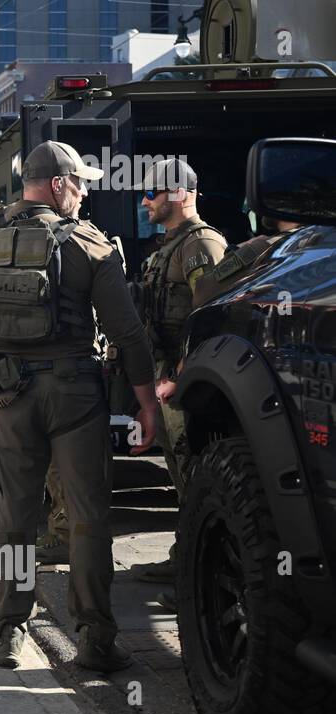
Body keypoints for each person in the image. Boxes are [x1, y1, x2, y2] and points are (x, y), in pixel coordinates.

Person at [0, 140, 158, 673]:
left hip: (6, 395)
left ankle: (9, 634)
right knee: (88, 518)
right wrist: (145, 401)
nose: (84, 194)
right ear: (58, 185)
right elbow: (128, 333)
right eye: (80, 183)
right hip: (74, 394)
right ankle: (94, 640)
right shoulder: (90, 244)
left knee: (13, 520)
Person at [129, 159, 228, 587]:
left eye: (156, 191)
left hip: (184, 384)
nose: (146, 199)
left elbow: (210, 319)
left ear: (183, 195)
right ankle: (184, 559)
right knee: (180, 478)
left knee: (196, 479)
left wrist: (182, 379)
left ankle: (203, 577)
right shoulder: (169, 246)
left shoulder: (201, 246)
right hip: (165, 376)